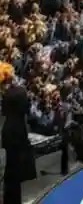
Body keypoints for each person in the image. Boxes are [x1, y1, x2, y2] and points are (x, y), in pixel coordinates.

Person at [2, 62, 37, 204]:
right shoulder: (20, 92)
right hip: (19, 132)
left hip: (9, 133)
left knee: (10, 171)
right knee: (16, 171)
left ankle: (9, 200)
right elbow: (27, 110)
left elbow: (4, 111)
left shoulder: (7, 95)